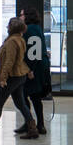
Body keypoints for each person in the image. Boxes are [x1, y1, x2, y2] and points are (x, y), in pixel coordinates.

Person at [18, 7, 51, 136]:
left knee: (28, 95)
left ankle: (31, 124)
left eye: (21, 15)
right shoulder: (36, 28)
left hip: (34, 67)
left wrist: (29, 69)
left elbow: (33, 52)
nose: (20, 17)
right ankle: (37, 124)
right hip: (40, 65)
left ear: (27, 16)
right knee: (34, 96)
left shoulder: (29, 29)